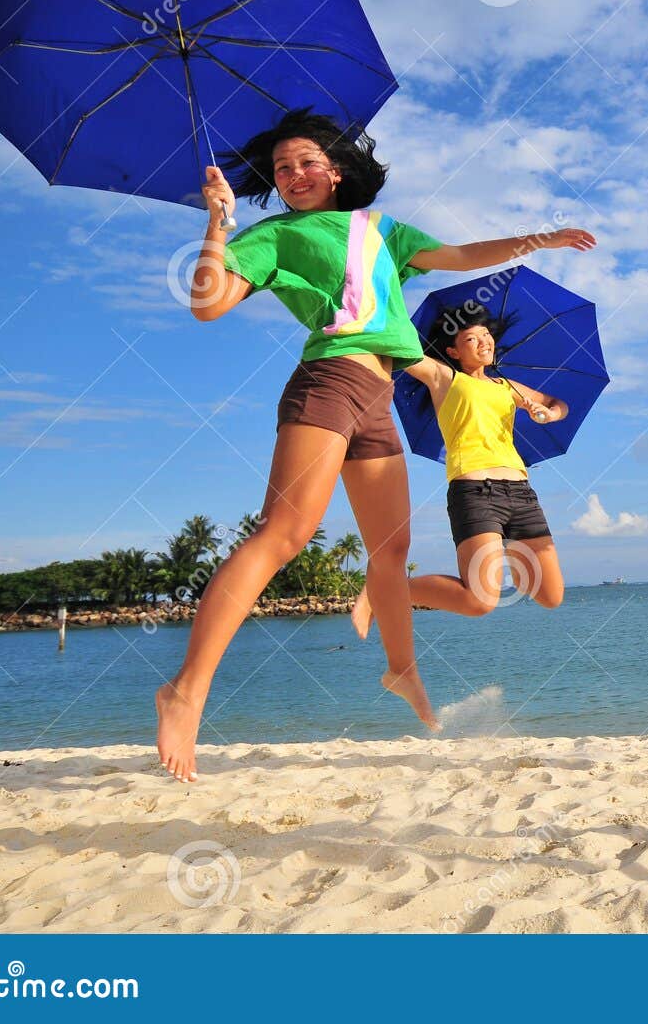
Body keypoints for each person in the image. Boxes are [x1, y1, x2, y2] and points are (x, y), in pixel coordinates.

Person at [153, 108, 595, 783]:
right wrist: (218, 221)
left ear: (337, 169)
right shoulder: (278, 234)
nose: (293, 175)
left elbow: (459, 257)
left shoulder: (381, 230)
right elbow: (207, 302)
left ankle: (401, 670)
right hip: (328, 380)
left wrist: (537, 239)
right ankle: (185, 690)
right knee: (284, 533)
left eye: (306, 162)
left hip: (379, 400)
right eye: (280, 169)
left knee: (390, 554)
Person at [350, 302, 567, 632]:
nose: (484, 341)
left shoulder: (507, 387)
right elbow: (397, 346)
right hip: (476, 493)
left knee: (551, 596)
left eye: (487, 334)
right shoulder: (443, 377)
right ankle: (384, 591)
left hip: (523, 495)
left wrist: (547, 412)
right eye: (472, 338)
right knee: (479, 601)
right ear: (452, 350)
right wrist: (366, 309)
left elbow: (558, 404)